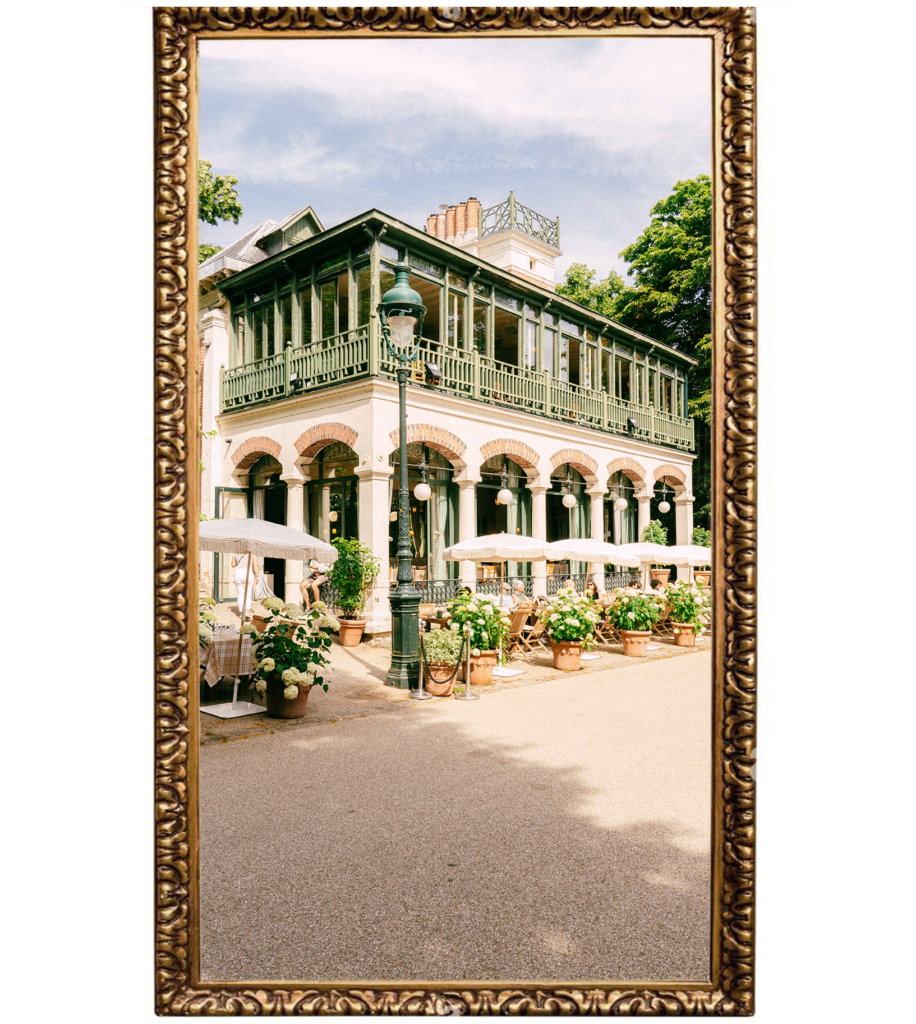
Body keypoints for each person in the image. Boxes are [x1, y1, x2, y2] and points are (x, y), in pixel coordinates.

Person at [231, 552, 259, 621]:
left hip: (238, 573)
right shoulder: (252, 553)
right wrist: (257, 576)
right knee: (248, 595)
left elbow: (233, 565)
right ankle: (246, 612)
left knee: (240, 595)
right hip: (248, 573)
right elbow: (255, 564)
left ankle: (241, 614)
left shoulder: (236, 552)